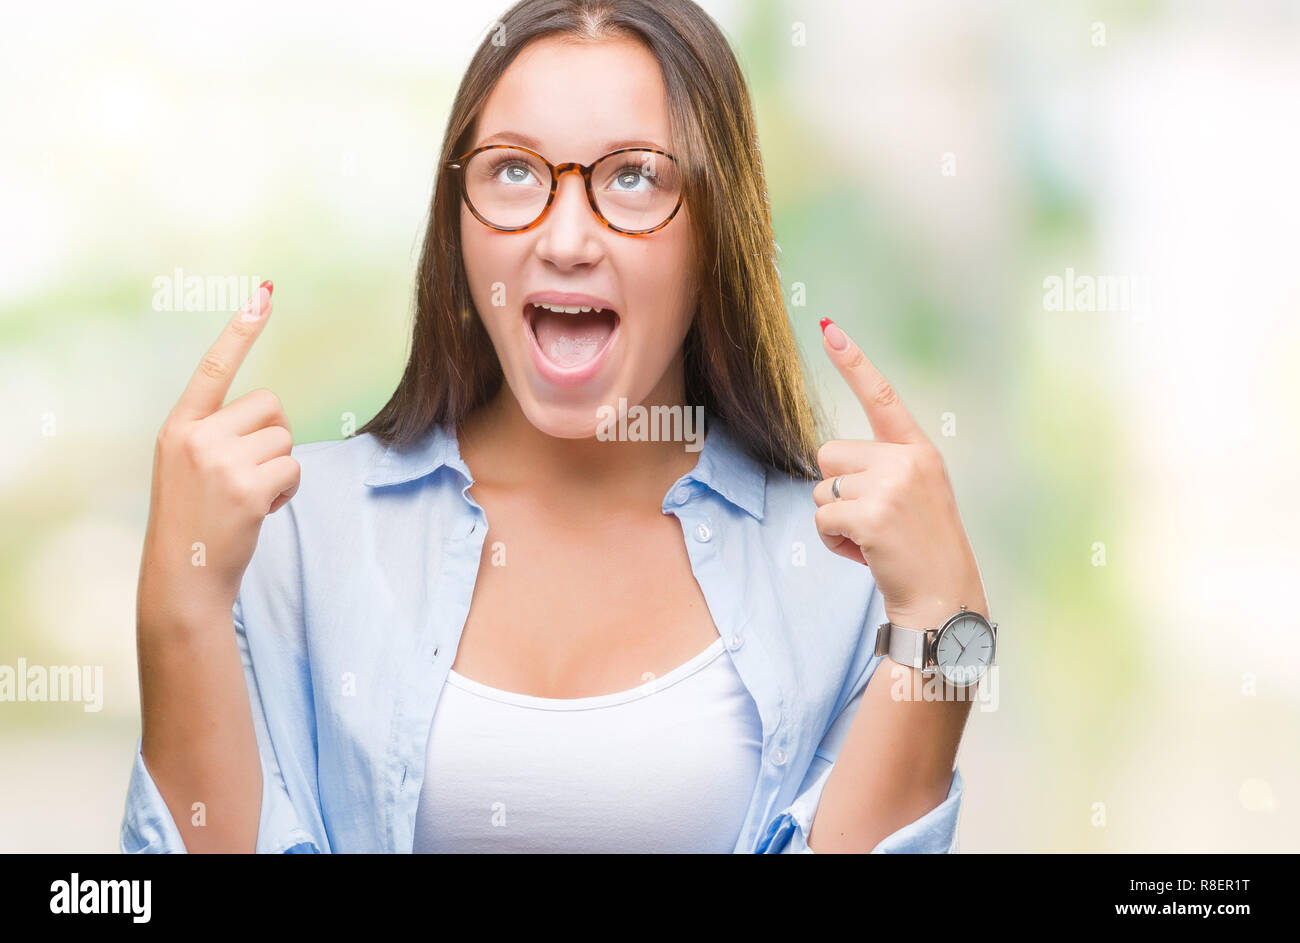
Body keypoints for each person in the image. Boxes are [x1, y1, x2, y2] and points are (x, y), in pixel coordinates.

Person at [122, 0, 988, 854]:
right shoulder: (291, 532)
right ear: (456, 216)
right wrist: (181, 606)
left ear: (719, 229)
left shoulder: (841, 575)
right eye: (513, 170)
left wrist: (949, 634)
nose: (566, 238)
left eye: (635, 175)